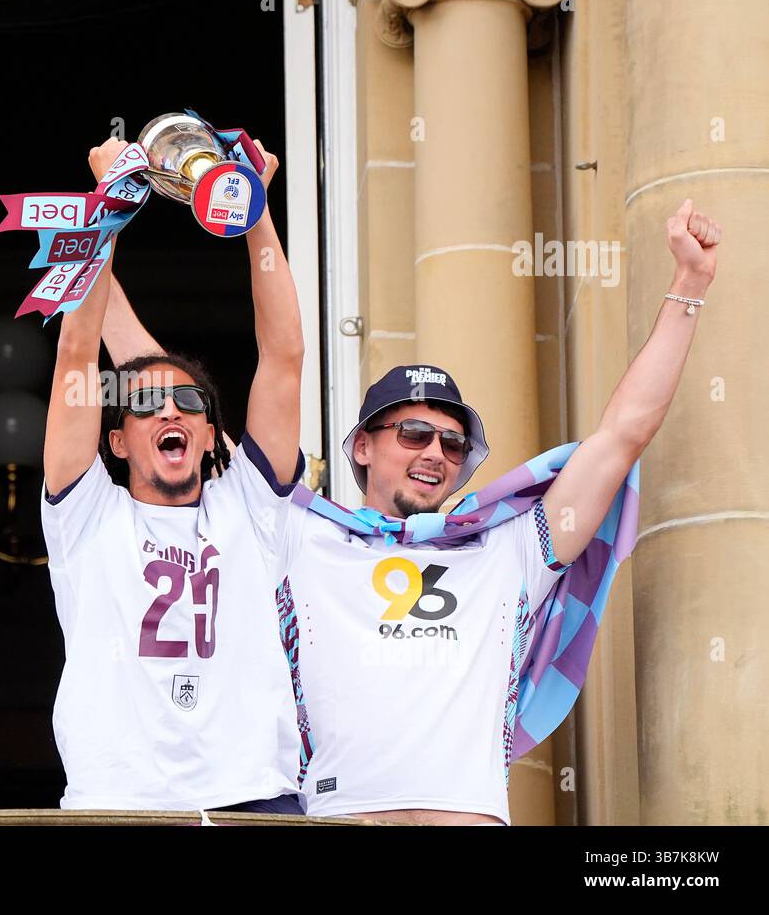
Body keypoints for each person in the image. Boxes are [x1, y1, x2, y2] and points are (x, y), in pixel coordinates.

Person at [103, 199, 722, 825]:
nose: (435, 452)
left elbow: (622, 434)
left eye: (453, 442)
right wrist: (95, 242)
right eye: (414, 433)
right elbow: (169, 398)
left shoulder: (510, 548)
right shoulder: (293, 531)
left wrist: (689, 286)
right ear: (363, 447)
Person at [40, 136, 308, 813]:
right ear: (117, 440)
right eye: (147, 402)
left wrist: (254, 213)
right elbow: (76, 357)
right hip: (118, 802)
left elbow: (284, 356)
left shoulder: (247, 504)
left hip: (255, 799)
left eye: (190, 400)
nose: (171, 409)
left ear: (212, 433)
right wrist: (105, 207)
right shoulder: (86, 514)